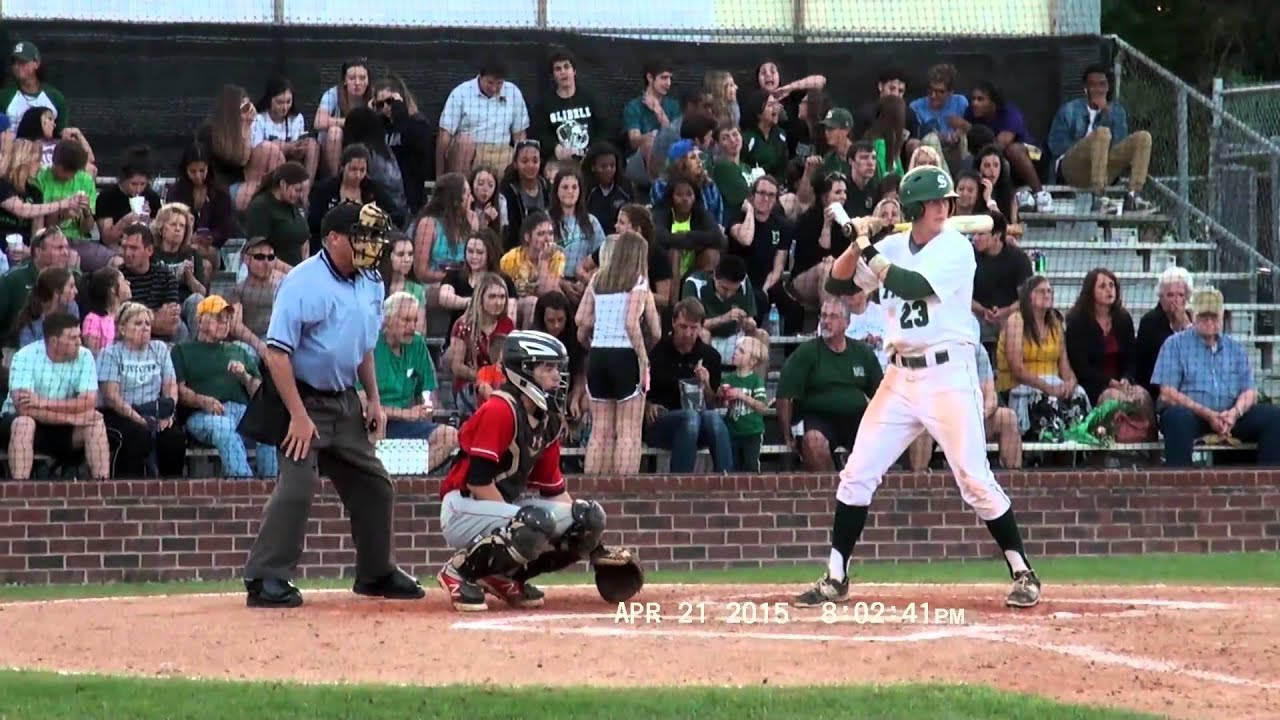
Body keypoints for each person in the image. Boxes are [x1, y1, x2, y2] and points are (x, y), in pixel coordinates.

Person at [802, 164, 1040, 609]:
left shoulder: (956, 247)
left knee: (974, 479)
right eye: (932, 203)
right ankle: (836, 577)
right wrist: (857, 241)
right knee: (857, 474)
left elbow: (911, 286)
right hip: (899, 376)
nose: (942, 209)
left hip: (947, 375)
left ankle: (1022, 571)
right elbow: (838, 283)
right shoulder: (892, 245)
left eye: (944, 202)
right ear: (914, 208)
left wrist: (867, 246)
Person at [241, 202, 424, 608]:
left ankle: (376, 572)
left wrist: (373, 398)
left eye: (373, 236)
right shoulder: (302, 282)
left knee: (375, 485)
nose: (371, 244)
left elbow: (364, 345)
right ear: (333, 239)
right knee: (298, 486)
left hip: (344, 399)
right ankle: (265, 577)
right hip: (299, 397)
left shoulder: (372, 281)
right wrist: (298, 416)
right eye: (361, 236)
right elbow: (276, 353)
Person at [435, 331, 635, 612]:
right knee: (535, 523)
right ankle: (458, 572)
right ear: (523, 371)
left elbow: (555, 492)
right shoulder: (500, 409)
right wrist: (519, 526)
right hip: (463, 507)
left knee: (587, 517)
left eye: (557, 368)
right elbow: (478, 482)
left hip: (499, 510)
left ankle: (503, 576)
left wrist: (594, 546)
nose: (557, 376)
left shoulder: (547, 420)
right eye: (548, 368)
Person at [1151, 287, 1280, 467]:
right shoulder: (1174, 345)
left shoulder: (1236, 348)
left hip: (1230, 417)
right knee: (1176, 417)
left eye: (1214, 316)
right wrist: (1208, 414)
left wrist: (1234, 413)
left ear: (1222, 317)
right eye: (1204, 316)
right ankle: (1179, 482)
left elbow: (1250, 391)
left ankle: (1267, 481)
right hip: (1193, 415)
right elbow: (1168, 393)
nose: (1209, 321)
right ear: (1193, 315)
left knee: (1273, 416)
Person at [720, 335, 769, 473]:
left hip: (752, 432)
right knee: (733, 468)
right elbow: (724, 405)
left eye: (741, 351)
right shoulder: (728, 379)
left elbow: (762, 407)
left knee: (751, 467)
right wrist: (724, 397)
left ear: (752, 361)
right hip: (732, 431)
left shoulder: (756, 381)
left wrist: (741, 396)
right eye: (736, 349)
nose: (735, 352)